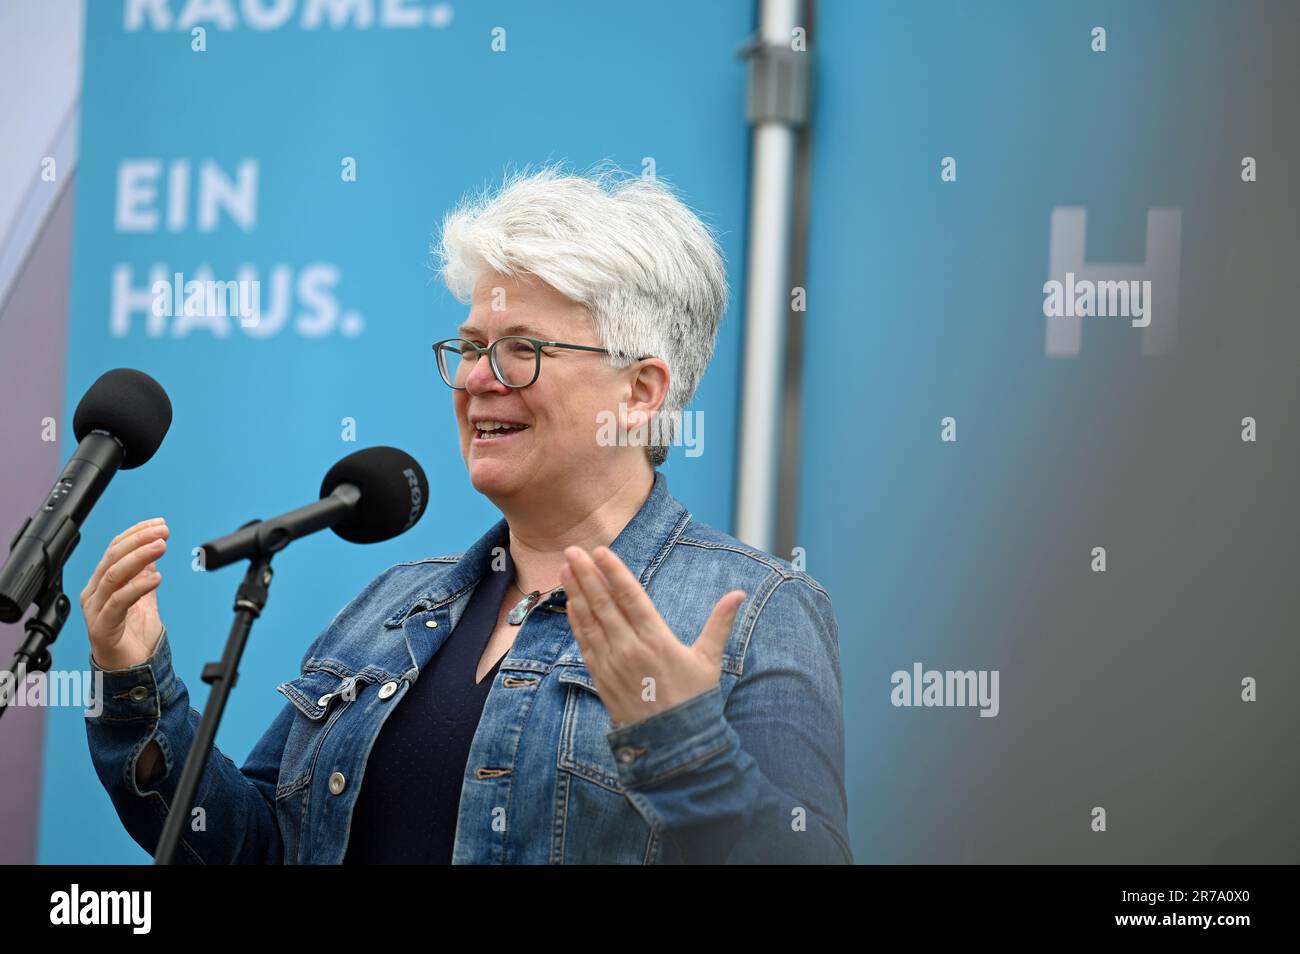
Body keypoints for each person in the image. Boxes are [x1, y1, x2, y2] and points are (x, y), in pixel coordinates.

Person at [82, 166, 852, 864]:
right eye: (471, 345)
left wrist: (684, 743)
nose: (478, 379)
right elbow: (251, 849)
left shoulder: (757, 612)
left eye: (523, 350)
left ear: (642, 391)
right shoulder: (392, 605)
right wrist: (136, 676)